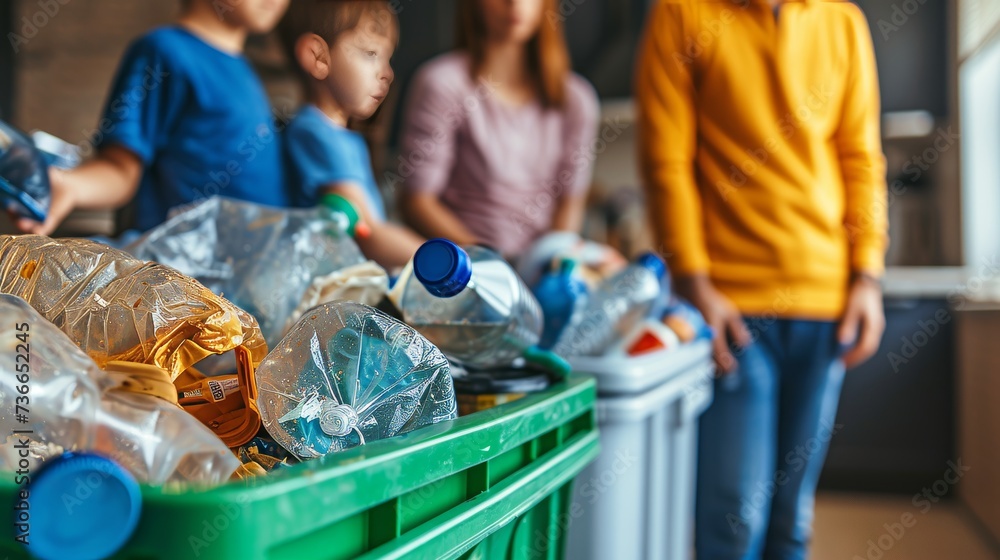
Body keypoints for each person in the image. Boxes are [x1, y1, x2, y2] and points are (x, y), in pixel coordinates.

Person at [635, 1, 888, 558]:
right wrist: (697, 285)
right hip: (730, 305)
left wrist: (867, 275)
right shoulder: (682, 13)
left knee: (792, 521)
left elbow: (861, 157)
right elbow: (667, 160)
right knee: (732, 520)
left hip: (828, 302)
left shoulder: (842, 22)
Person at [12, 0, 290, 236]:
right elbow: (121, 169)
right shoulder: (164, 51)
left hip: (244, 284)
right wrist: (70, 186)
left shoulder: (245, 69)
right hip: (186, 283)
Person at [397, 0, 600, 258]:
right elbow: (417, 202)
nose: (514, 3)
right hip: (466, 269)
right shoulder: (441, 84)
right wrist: (491, 262)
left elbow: (569, 206)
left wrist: (551, 262)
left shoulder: (577, 100)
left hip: (541, 267)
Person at [278, 0, 423, 269]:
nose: (387, 74)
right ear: (318, 56)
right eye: (370, 54)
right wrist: (441, 257)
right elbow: (370, 235)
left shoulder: (348, 138)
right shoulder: (313, 133)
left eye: (387, 58)